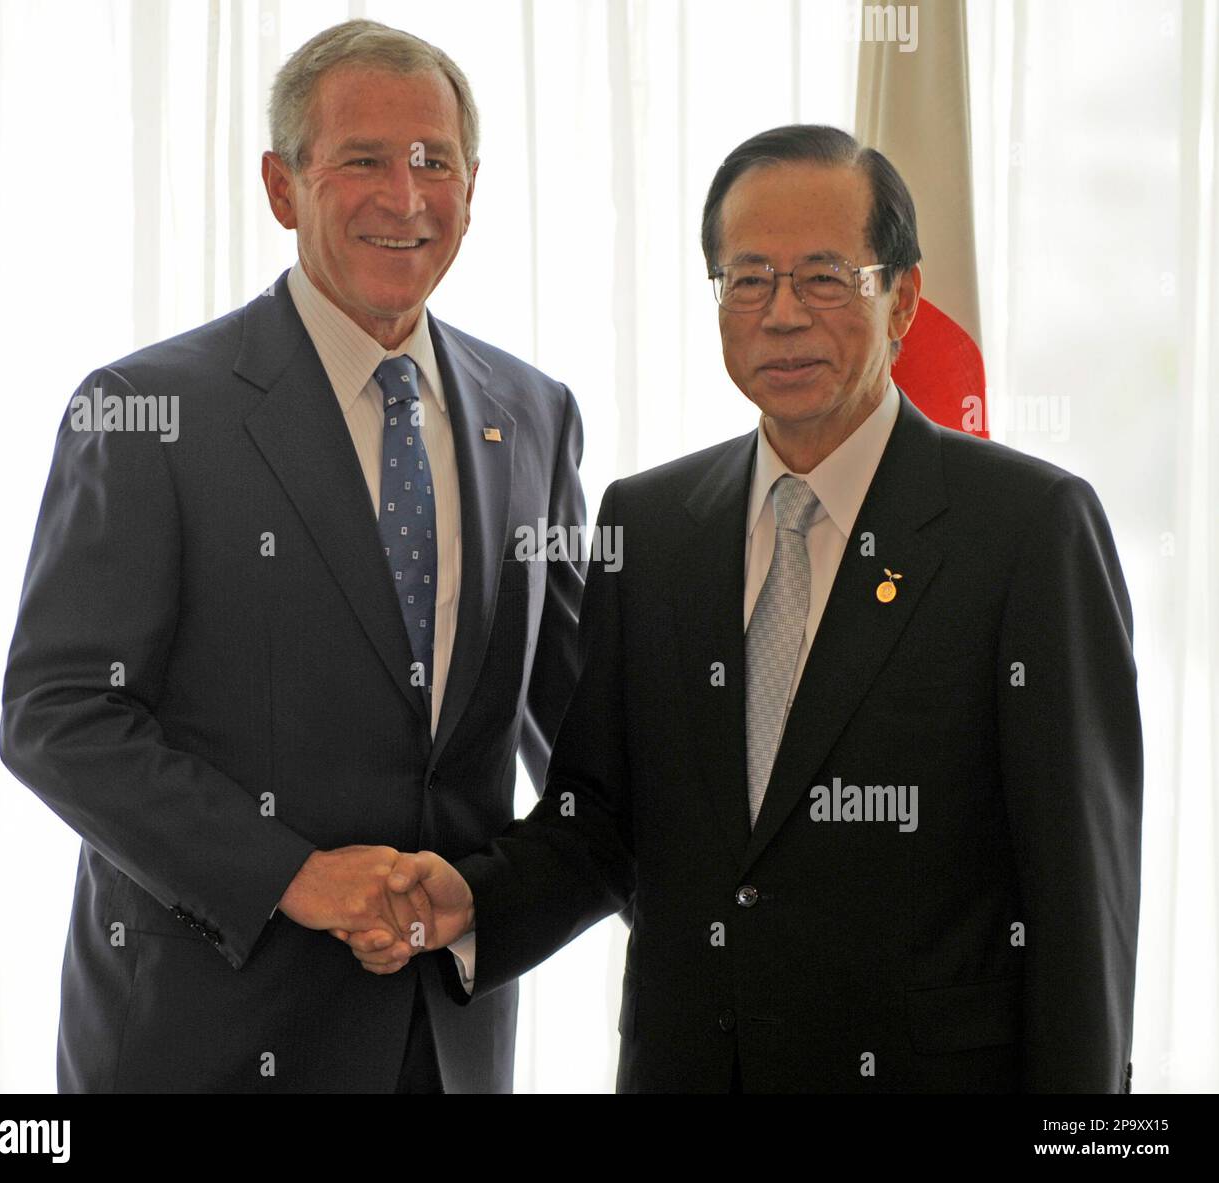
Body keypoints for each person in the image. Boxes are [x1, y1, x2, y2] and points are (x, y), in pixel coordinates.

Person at [348, 125, 1144, 1094]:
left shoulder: (1026, 528)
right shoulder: (649, 524)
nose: (780, 316)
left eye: (823, 277)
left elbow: (1078, 893)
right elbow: (603, 820)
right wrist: (467, 899)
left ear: (902, 300)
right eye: (748, 279)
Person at [0, 19, 587, 1093]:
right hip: (204, 1039)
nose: (404, 196)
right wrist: (297, 877)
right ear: (282, 186)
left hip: (444, 1044)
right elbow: (59, 717)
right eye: (361, 158)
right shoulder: (147, 411)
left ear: (471, 183)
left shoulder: (534, 414)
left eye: (433, 160)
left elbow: (584, 744)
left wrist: (494, 903)